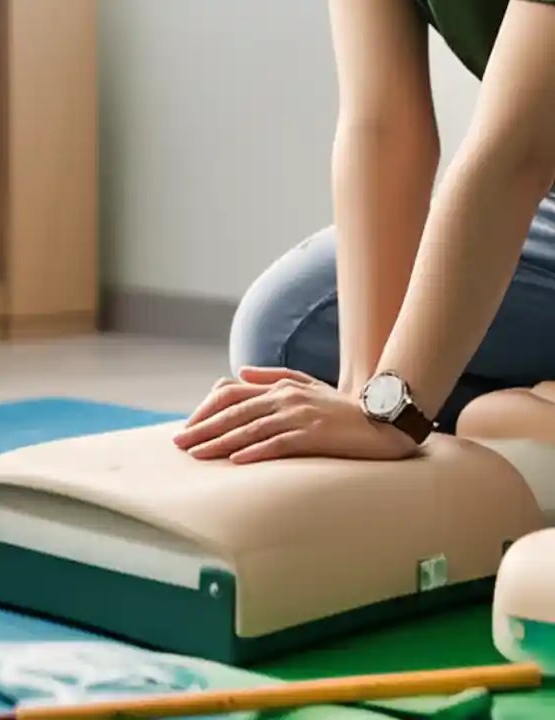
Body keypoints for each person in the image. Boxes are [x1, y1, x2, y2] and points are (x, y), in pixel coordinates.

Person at [174, 0, 555, 464]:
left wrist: (399, 414)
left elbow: (518, 151)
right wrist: (364, 394)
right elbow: (381, 125)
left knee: (467, 409)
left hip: (530, 170)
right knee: (290, 331)